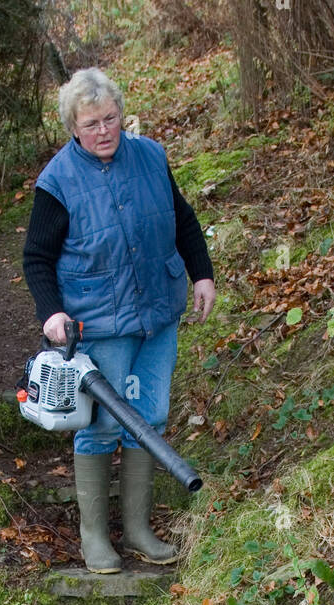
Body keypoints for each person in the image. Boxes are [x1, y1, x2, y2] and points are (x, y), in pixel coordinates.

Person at [22, 67, 216, 573]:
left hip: (158, 314)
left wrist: (202, 274)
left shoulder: (150, 156)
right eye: (91, 124)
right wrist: (52, 313)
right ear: (73, 127)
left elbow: (184, 219)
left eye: (110, 118)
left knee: (148, 417)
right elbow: (36, 258)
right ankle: (93, 538)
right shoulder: (57, 181)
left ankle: (136, 530)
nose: (104, 130)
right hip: (99, 325)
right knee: (103, 425)